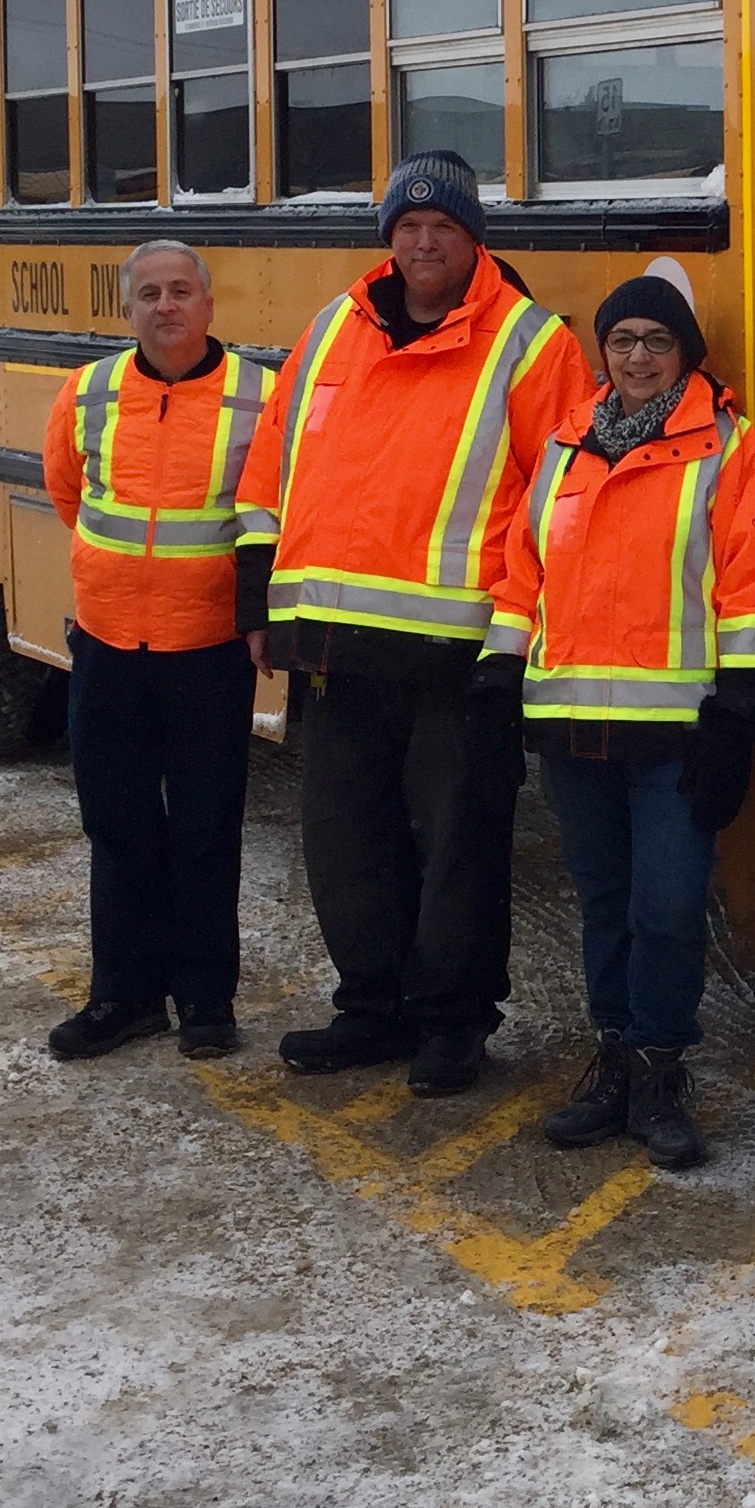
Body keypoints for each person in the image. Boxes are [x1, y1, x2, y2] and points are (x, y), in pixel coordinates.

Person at [233, 150, 597, 1096]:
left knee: (457, 850)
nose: (423, 242)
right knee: (344, 840)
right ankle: (373, 1007)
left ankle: (452, 1021)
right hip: (337, 646)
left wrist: (513, 642)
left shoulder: (530, 344)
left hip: (459, 654)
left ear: (473, 237)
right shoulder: (333, 328)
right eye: (407, 225)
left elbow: (557, 504)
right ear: (388, 235)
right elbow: (271, 464)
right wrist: (257, 593)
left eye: (442, 226)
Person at [494, 272, 755, 1168]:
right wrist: (499, 674)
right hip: (572, 728)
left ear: (685, 354)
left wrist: (737, 711)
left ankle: (662, 1068)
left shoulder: (729, 449)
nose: (637, 356)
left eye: (656, 341)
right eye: (622, 340)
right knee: (604, 905)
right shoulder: (563, 445)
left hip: (678, 734)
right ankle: (616, 1063)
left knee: (665, 907)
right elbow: (522, 573)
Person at [40, 239, 272, 1062]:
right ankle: (124, 996)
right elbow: (67, 488)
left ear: (208, 304)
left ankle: (206, 998)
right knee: (117, 824)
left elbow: (275, 506)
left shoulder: (258, 395)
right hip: (107, 645)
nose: (165, 306)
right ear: (126, 309)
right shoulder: (90, 390)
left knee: (206, 828)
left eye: (180, 291)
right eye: (149, 294)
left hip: (207, 649)